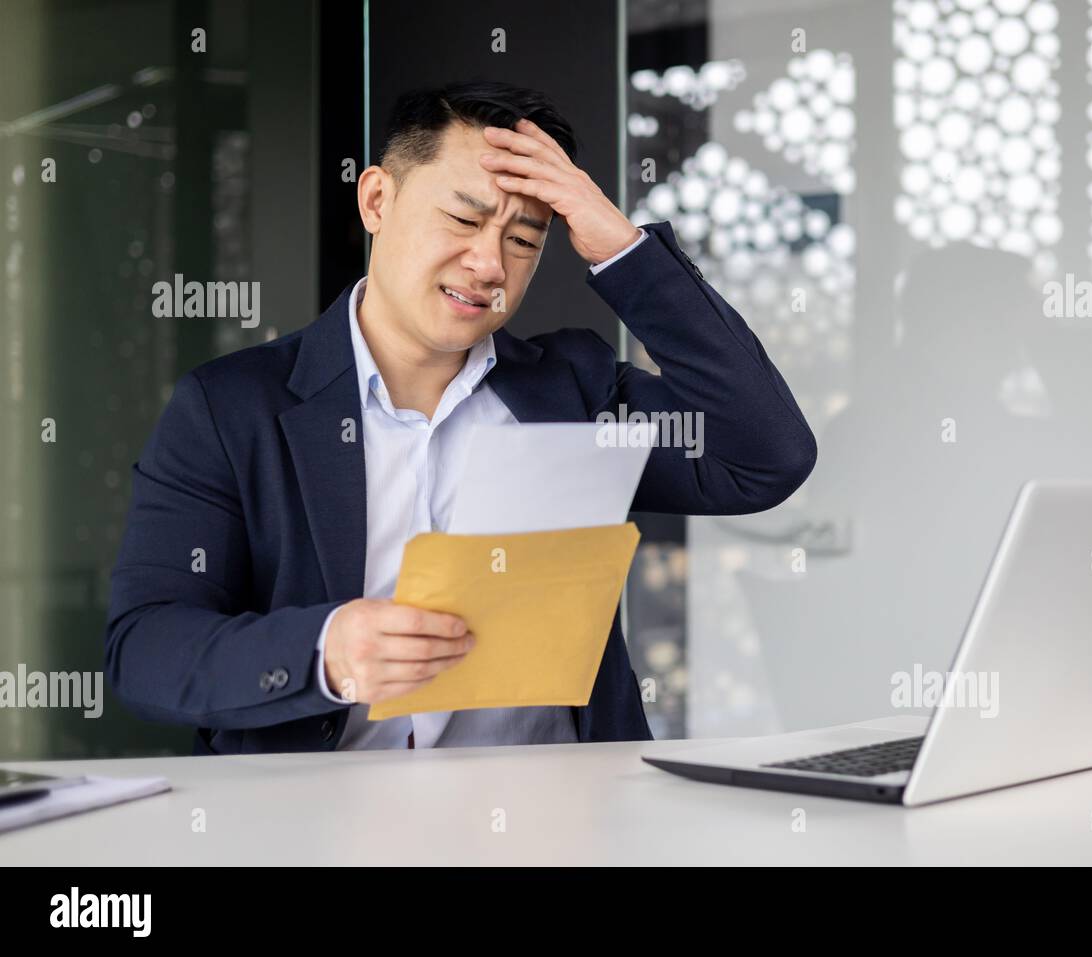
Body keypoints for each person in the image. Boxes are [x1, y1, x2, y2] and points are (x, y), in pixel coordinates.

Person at [105, 81, 816, 755]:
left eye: (524, 239)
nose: (488, 264)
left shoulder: (573, 392)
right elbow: (146, 648)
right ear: (378, 199)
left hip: (559, 822)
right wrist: (323, 650)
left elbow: (764, 454)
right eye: (465, 218)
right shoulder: (231, 408)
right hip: (319, 822)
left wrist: (624, 253)